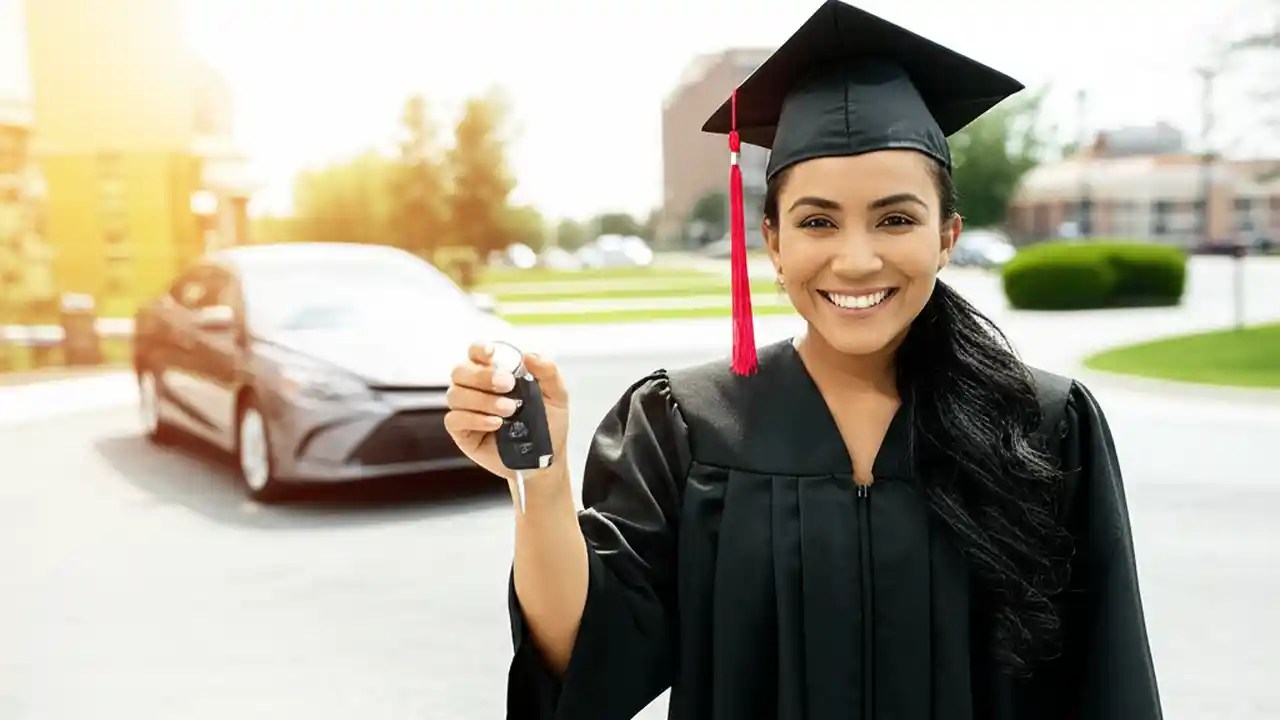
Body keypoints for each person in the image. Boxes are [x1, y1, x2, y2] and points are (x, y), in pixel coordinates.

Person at [444, 2, 1164, 718]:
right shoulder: (685, 427)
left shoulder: (1042, 425)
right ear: (773, 242)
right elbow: (586, 659)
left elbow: (1110, 684)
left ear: (947, 236)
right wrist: (539, 483)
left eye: (896, 219)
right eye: (818, 221)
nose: (856, 259)